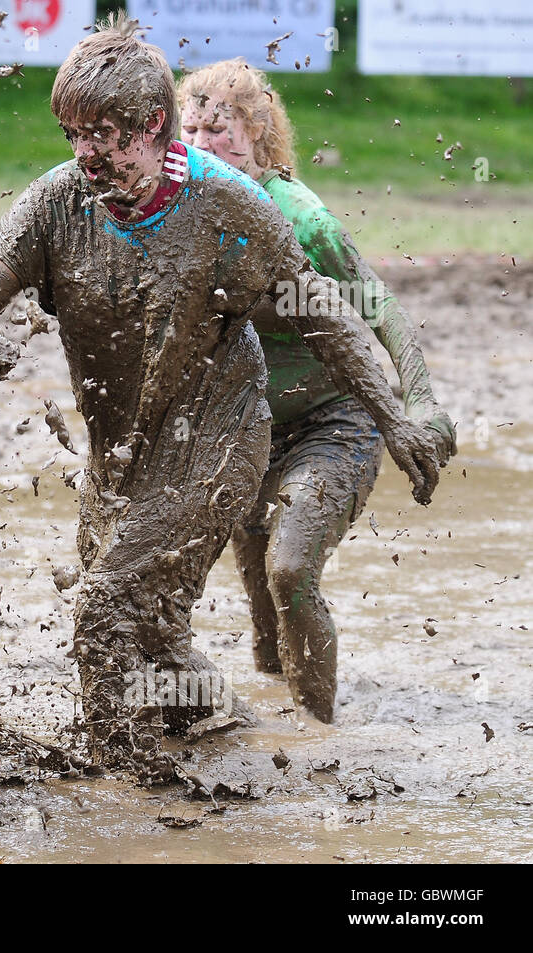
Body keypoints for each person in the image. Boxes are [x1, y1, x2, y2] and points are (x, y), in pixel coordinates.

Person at [0, 16, 448, 781]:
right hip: (122, 453)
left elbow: (326, 312)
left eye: (107, 135)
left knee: (103, 608)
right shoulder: (54, 202)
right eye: (73, 133)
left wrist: (397, 415)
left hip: (220, 441)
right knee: (155, 637)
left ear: (155, 127)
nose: (87, 154)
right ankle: (222, 721)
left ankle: (121, 795)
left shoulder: (230, 203)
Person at [176, 58, 455, 722]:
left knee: (291, 570)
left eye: (224, 134)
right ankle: (281, 735)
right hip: (243, 429)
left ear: (259, 139)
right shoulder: (176, 208)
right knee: (269, 642)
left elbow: (380, 307)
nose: (206, 147)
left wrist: (419, 403)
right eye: (193, 131)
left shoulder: (301, 218)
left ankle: (324, 750)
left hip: (333, 423)